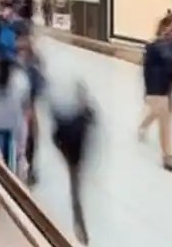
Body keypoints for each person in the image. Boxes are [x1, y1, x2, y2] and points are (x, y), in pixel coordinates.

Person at [138, 14, 172, 171]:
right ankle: (167, 156)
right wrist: (150, 94)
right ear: (164, 28)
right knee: (165, 119)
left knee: (166, 112)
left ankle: (143, 126)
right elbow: (149, 71)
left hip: (166, 89)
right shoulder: (153, 47)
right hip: (155, 89)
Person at [52, 82, 96, 245]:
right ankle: (80, 229)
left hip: (77, 158)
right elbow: (57, 136)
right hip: (74, 159)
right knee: (76, 195)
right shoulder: (72, 117)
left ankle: (80, 228)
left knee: (76, 193)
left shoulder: (85, 114)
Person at [17, 33, 46, 186]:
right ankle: (21, 164)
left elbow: (42, 84)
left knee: (31, 137)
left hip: (28, 106)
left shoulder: (35, 62)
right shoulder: (14, 61)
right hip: (16, 106)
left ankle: (29, 166)